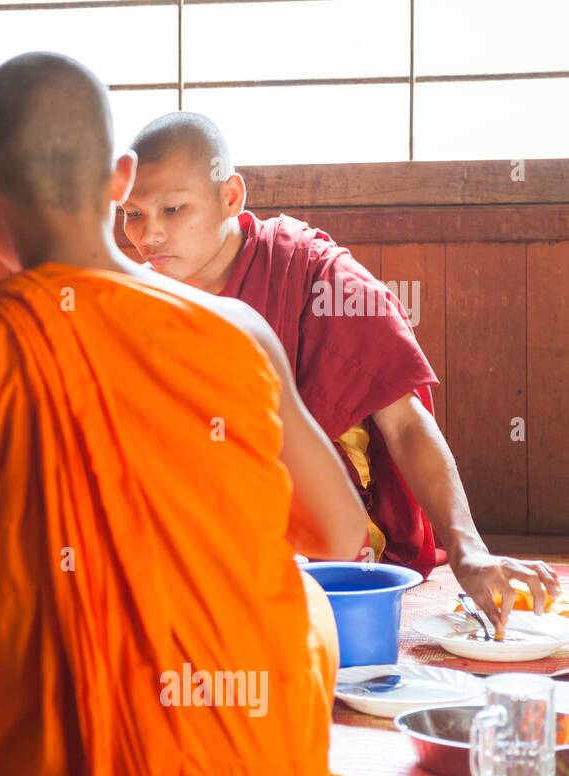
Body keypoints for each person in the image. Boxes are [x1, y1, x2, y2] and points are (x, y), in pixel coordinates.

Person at [0, 53, 374, 776]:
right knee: (300, 596)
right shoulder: (236, 332)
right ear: (120, 178)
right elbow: (343, 535)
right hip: (248, 757)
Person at [122, 111, 561, 627]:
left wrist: (468, 551)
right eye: (131, 214)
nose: (147, 236)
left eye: (172, 209)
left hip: (319, 546)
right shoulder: (135, 297)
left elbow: (403, 421)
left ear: (231, 197)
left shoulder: (314, 277)